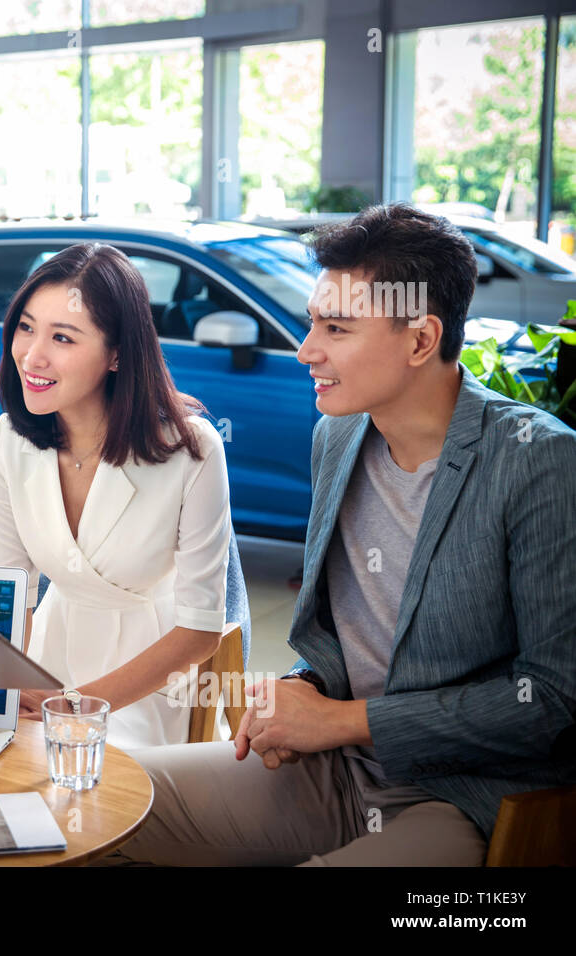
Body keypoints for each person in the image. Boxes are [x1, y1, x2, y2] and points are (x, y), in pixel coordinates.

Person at [113, 203, 576, 866]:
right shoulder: (338, 434)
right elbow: (350, 637)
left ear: (420, 340)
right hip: (337, 766)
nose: (307, 350)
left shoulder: (540, 462)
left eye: (336, 328)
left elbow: (554, 700)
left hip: (467, 797)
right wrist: (305, 689)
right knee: (102, 803)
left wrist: (340, 722)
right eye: (312, 323)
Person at [0, 242, 232, 760]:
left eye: (62, 337)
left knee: (92, 787)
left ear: (117, 353)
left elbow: (199, 631)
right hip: (45, 660)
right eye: (26, 327)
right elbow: (8, 590)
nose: (32, 355)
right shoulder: (7, 438)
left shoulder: (192, 450)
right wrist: (9, 688)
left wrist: (76, 705)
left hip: (144, 681)